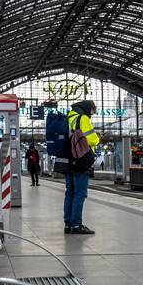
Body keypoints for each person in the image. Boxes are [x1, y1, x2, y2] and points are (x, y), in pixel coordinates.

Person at [63, 100, 99, 234]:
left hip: (68, 161)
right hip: (80, 161)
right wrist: (98, 139)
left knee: (70, 192)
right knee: (80, 194)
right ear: (88, 108)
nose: (91, 115)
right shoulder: (82, 118)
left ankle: (68, 224)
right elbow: (91, 139)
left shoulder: (68, 117)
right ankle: (77, 225)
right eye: (92, 112)